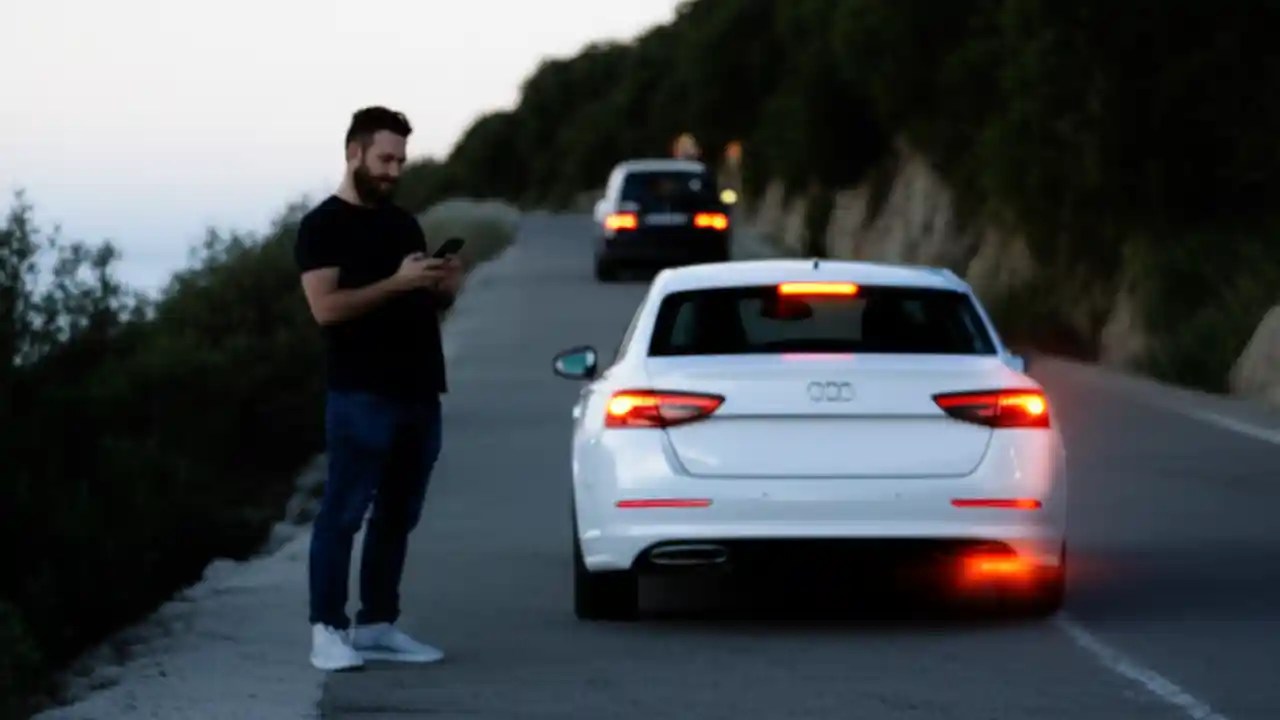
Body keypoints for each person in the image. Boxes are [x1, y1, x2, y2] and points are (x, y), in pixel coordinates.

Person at [293, 106, 463, 671]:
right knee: (342, 513)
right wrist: (397, 281)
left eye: (400, 161)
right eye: (385, 159)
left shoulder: (403, 224)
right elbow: (326, 309)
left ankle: (377, 625)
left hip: (419, 390)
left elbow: (419, 304)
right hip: (360, 393)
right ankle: (326, 631)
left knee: (397, 515)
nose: (393, 171)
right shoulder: (322, 226)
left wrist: (444, 287)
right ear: (354, 153)